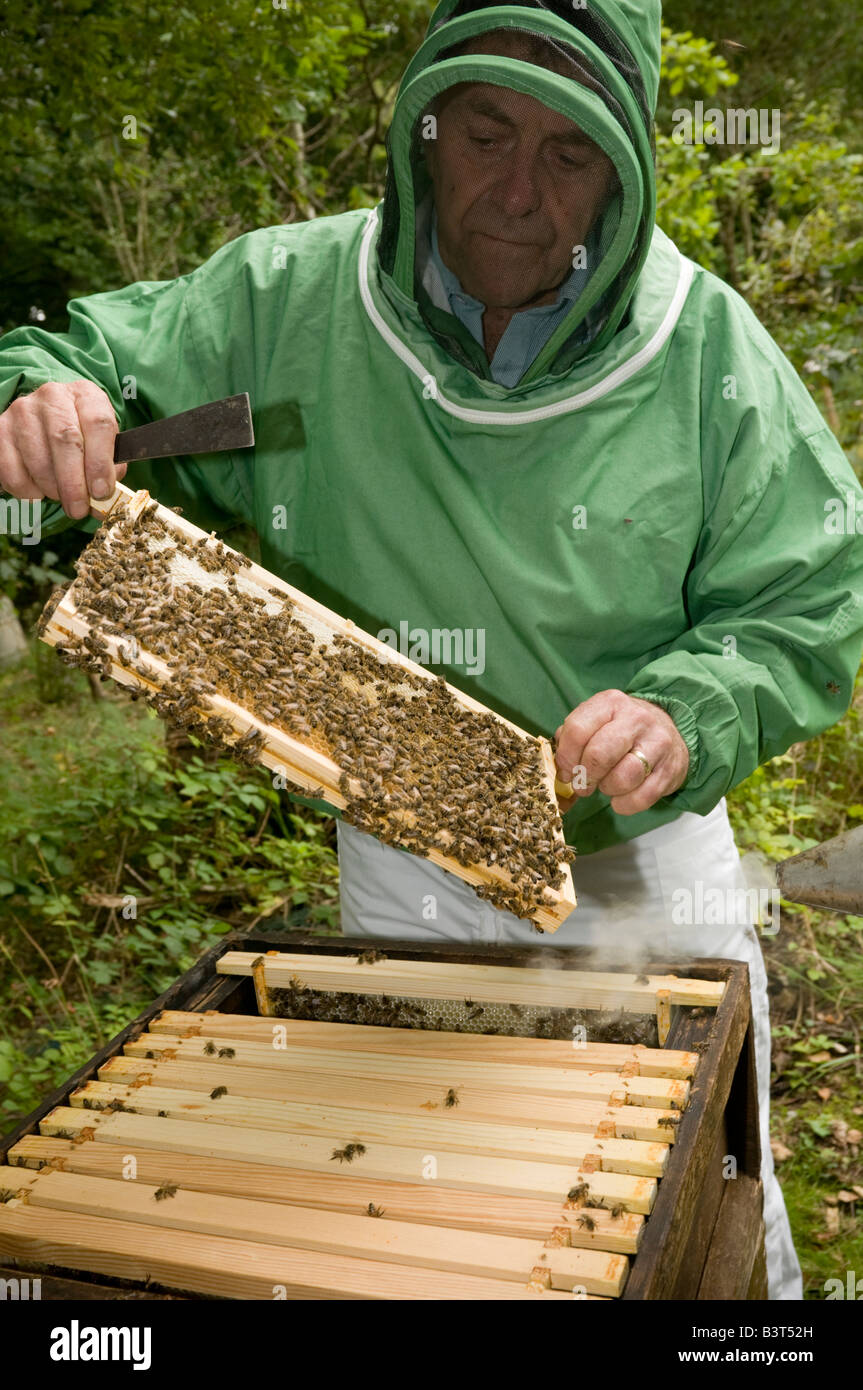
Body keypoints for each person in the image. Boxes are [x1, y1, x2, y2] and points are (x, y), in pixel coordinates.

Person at [1, 0, 861, 1299]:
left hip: (638, 863)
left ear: (623, 176)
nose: (518, 192)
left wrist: (692, 707)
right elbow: (82, 353)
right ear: (422, 133)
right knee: (415, 1196)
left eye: (569, 155)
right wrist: (45, 394)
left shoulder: (705, 348)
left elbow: (812, 590)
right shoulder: (285, 299)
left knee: (705, 1202)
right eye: (487, 134)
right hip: (399, 847)